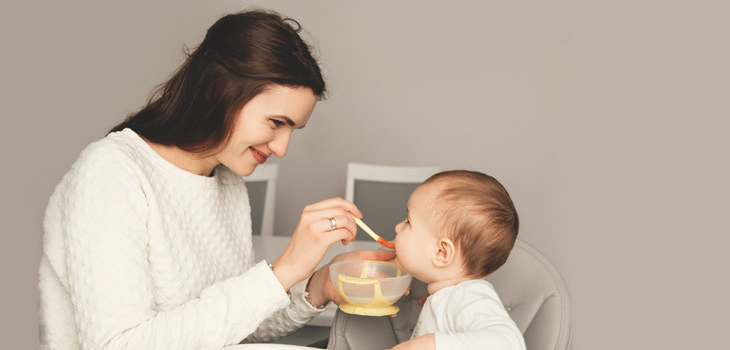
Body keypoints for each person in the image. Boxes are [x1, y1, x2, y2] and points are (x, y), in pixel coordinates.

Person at [38, 9, 393, 349]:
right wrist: (283, 269)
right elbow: (118, 345)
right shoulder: (111, 172)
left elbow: (232, 324)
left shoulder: (226, 182)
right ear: (220, 92)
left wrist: (321, 284)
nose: (282, 149)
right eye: (276, 123)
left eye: (293, 130)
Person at [389, 170, 526, 350]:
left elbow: (509, 343)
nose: (398, 227)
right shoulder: (450, 296)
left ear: (442, 252)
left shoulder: (469, 296)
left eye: (408, 222)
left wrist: (426, 345)